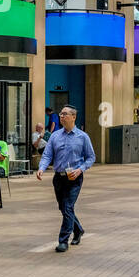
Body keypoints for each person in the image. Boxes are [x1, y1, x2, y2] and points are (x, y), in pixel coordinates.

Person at [35, 105, 95, 252]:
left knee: (68, 207)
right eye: (61, 114)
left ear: (73, 117)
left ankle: (63, 240)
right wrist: (41, 168)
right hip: (59, 178)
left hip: (74, 178)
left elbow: (91, 157)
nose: (61, 116)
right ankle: (78, 229)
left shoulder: (83, 137)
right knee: (63, 207)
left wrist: (80, 170)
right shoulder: (55, 136)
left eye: (65, 114)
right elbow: (48, 155)